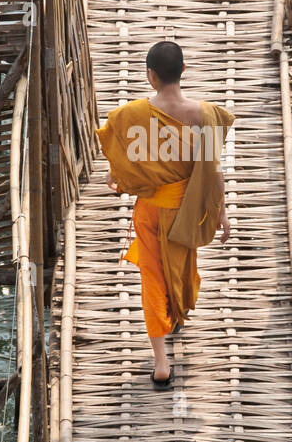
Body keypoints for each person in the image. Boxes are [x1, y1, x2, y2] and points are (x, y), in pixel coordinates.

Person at [96, 41, 234, 389]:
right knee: (182, 266)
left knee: (152, 279)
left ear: (150, 75)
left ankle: (161, 362)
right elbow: (213, 170)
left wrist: (115, 177)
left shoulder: (130, 115)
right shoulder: (205, 115)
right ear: (183, 70)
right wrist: (222, 212)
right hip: (186, 212)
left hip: (150, 211)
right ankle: (175, 318)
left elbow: (120, 165)